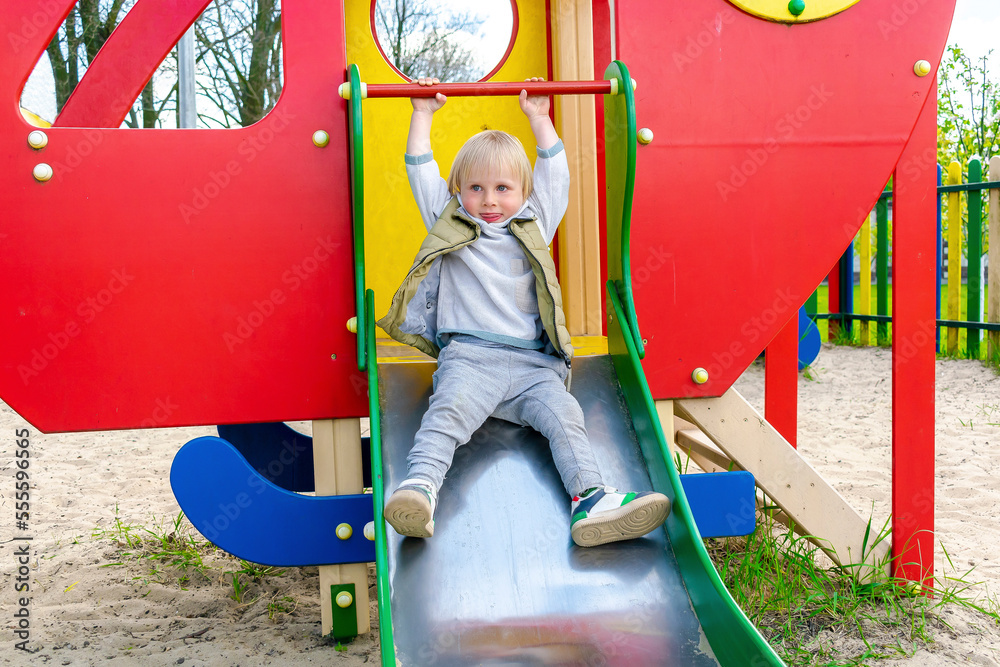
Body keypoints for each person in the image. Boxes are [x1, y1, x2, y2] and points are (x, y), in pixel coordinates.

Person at [377, 77, 670, 547]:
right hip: (471, 360)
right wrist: (422, 115)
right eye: (475, 188)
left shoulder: (535, 222)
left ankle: (590, 501)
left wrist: (539, 117)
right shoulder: (450, 221)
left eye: (502, 188)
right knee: (447, 412)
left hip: (535, 367)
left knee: (565, 417)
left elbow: (557, 174)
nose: (489, 200)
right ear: (457, 192)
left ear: (524, 192)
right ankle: (419, 490)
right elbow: (420, 169)